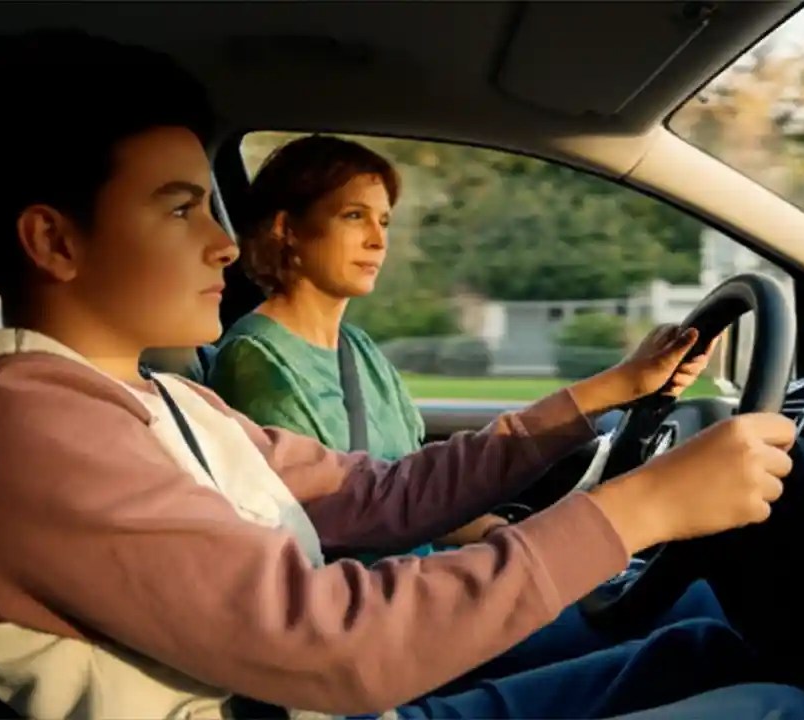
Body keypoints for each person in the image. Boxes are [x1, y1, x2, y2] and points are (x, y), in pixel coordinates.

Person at [0, 28, 804, 720]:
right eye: (182, 209)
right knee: (780, 715)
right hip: (333, 691)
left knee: (701, 649)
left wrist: (605, 394)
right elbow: (329, 638)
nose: (227, 243)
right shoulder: (21, 419)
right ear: (54, 240)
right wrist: (646, 509)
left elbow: (381, 493)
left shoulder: (163, 399)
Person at [209, 134, 727, 686]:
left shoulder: (356, 349)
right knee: (694, 619)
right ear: (287, 228)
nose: (377, 239)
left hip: (435, 585)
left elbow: (417, 485)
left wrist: (504, 529)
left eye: (384, 221)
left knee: (682, 612)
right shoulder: (257, 359)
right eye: (354, 215)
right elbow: (346, 523)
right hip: (397, 624)